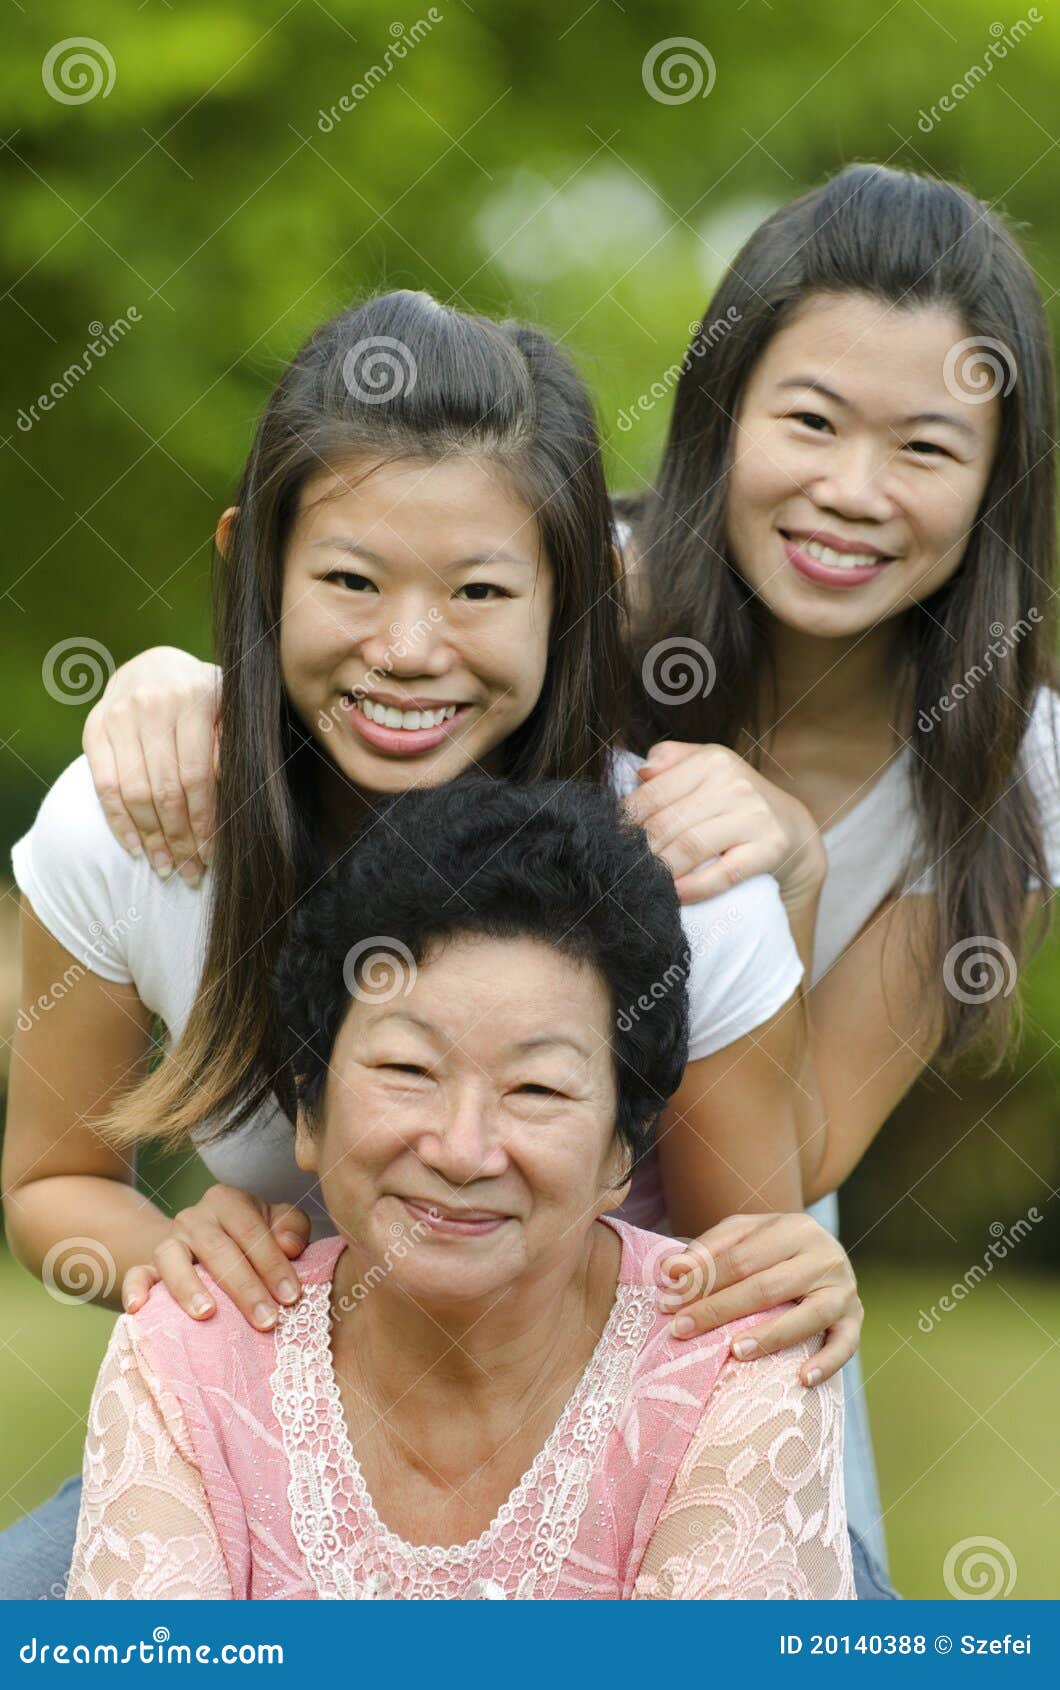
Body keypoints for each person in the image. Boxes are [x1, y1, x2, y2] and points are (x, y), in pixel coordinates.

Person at [5, 290, 862, 1598]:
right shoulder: (142, 829)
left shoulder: (690, 880)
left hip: (611, 1445)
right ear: (256, 568)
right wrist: (177, 1264)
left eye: (477, 590)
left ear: (569, 598)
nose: (408, 651)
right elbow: (48, 1180)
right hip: (271, 1440)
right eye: (350, 580)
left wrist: (789, 1253)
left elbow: (742, 1283)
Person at [66, 777, 855, 1601]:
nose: (463, 1149)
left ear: (622, 1152)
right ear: (309, 1110)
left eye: (538, 1089)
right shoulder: (188, 1353)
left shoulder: (739, 1363)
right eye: (407, 1070)